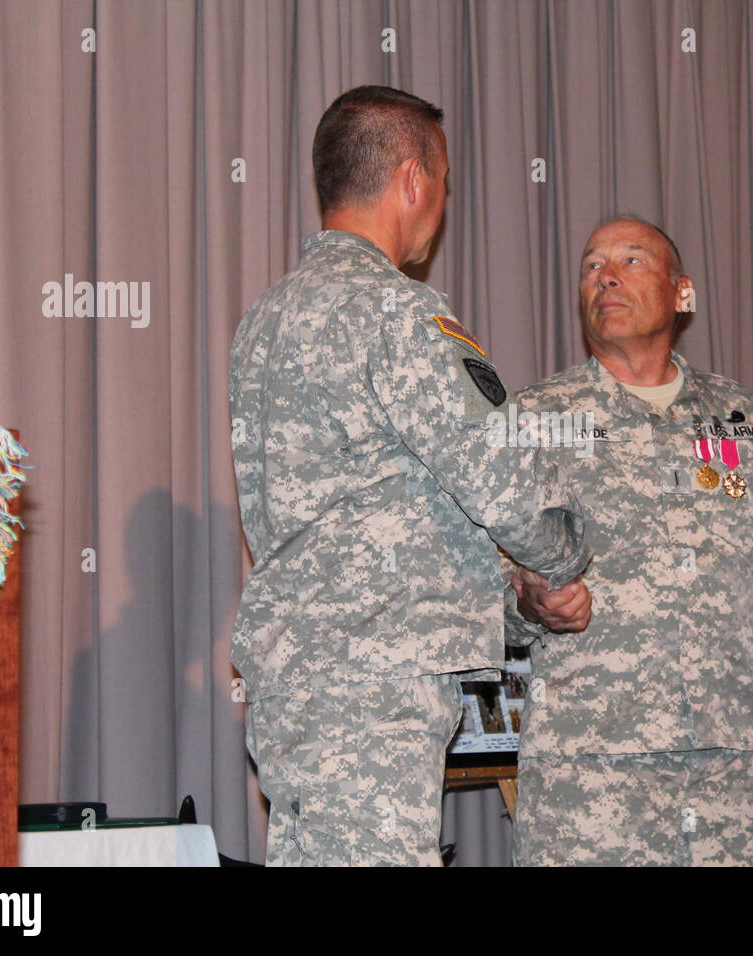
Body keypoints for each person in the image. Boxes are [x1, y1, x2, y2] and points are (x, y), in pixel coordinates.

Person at [228, 86, 591, 866]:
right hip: (374, 687)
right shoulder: (400, 315)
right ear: (414, 181)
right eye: (446, 181)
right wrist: (562, 560)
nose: (442, 202)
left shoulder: (265, 320)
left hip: (297, 676)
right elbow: (501, 476)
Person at [506, 216, 753, 866]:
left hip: (727, 788)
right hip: (590, 785)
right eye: (591, 265)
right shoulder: (536, 420)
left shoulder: (743, 423)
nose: (605, 275)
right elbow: (486, 582)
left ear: (681, 292)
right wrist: (527, 602)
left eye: (631, 260)